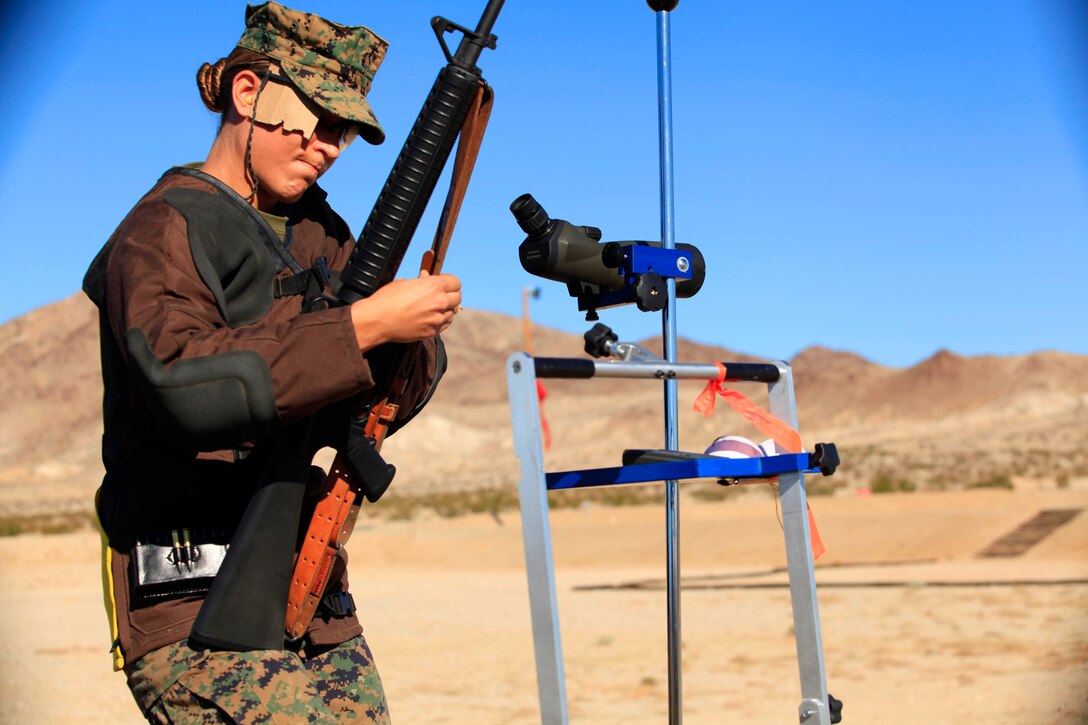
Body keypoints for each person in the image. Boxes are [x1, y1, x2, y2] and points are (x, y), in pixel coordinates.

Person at [82, 2, 462, 722]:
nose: (330, 146)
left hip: (310, 590)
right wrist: (364, 323)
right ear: (248, 93)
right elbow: (183, 381)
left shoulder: (322, 231)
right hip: (193, 605)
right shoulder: (163, 228)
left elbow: (389, 392)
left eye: (344, 132)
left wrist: (408, 340)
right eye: (317, 120)